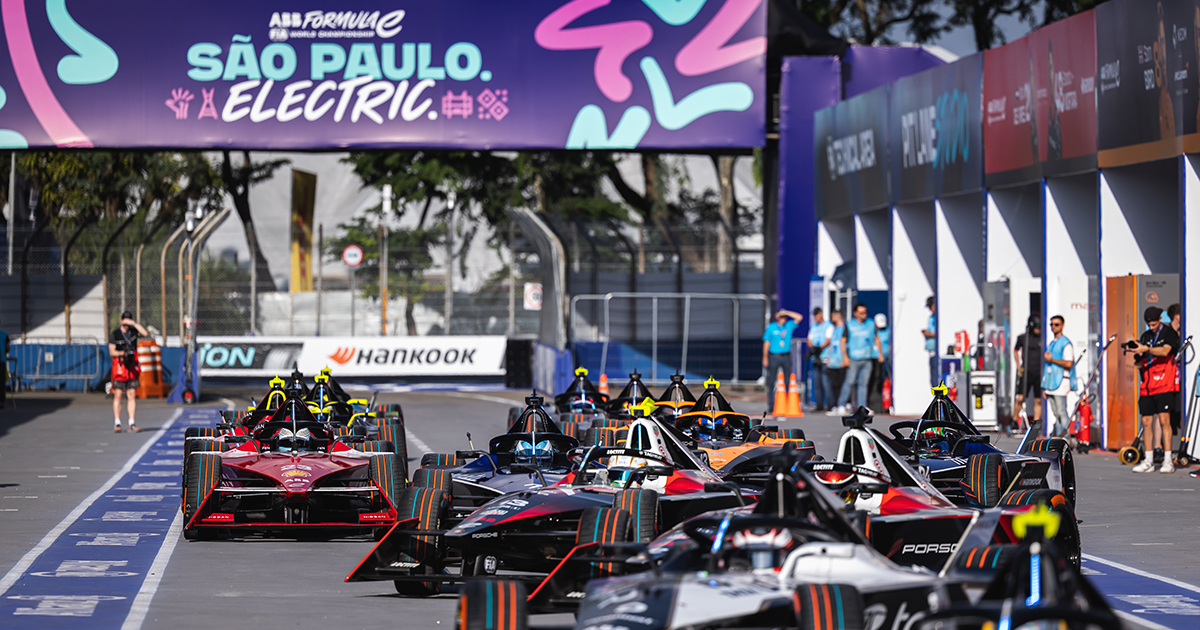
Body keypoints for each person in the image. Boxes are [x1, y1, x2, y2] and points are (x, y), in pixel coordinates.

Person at [1131, 306, 1180, 473]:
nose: (1151, 328)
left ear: (1160, 319)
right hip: (1147, 384)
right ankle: (1149, 460)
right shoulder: (1146, 336)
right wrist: (1138, 355)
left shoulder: (1168, 333)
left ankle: (1168, 460)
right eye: (1148, 325)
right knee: (1146, 422)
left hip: (1165, 382)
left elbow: (1166, 351)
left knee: (1165, 420)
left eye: (1153, 324)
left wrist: (1147, 349)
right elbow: (1141, 358)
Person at [836, 304, 882, 413]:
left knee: (863, 383)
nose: (864, 315)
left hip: (867, 358)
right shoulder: (850, 324)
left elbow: (876, 338)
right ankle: (841, 404)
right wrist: (845, 357)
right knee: (850, 381)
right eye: (861, 312)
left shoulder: (870, 324)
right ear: (855, 313)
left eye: (865, 312)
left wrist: (880, 353)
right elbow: (843, 341)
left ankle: (862, 406)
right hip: (854, 357)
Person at [109, 311, 149, 433]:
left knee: (131, 395)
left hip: (132, 367)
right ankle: (117, 422)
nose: (127, 325)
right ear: (121, 321)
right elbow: (112, 352)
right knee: (118, 395)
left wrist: (134, 324)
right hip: (120, 367)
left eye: (128, 322)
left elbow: (145, 333)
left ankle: (131, 423)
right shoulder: (115, 334)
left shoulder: (133, 332)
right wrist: (122, 353)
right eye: (125, 322)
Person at [1041, 315, 1076, 439]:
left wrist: (1053, 360)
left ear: (1062, 325)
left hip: (1061, 382)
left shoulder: (1066, 344)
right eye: (1051, 324)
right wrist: (1044, 386)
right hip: (1051, 383)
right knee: (1056, 413)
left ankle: (1066, 438)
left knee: (1062, 412)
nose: (1053, 327)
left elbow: (1068, 363)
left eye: (1056, 324)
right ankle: (1059, 437)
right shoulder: (1052, 343)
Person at [762, 309, 803, 413]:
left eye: (784, 317)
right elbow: (766, 343)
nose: (783, 319)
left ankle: (788, 403)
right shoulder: (771, 327)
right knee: (771, 380)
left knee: (788, 380)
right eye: (781, 317)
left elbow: (799, 317)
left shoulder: (788, 325)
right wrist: (765, 357)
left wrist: (787, 312)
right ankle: (771, 404)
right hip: (774, 355)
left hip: (786, 355)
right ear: (777, 317)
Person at [1013, 316, 1043, 435]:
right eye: (1036, 328)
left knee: (1038, 400)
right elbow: (1016, 350)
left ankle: (1035, 426)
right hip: (1026, 372)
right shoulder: (1023, 338)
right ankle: (1014, 420)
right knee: (1020, 398)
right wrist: (1018, 365)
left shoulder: (1042, 338)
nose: (1038, 330)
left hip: (1037, 372)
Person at [807, 308, 831, 411]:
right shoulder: (813, 327)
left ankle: (830, 404)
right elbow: (809, 340)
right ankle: (819, 404)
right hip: (816, 358)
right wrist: (814, 348)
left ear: (821, 314)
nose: (816, 317)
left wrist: (820, 348)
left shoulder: (828, 326)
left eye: (818, 315)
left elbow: (828, 340)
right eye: (815, 315)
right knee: (816, 383)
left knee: (826, 383)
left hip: (825, 357)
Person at [823, 310, 847, 415]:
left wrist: (845, 358)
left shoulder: (844, 328)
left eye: (833, 316)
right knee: (834, 384)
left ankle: (844, 404)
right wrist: (829, 358)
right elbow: (831, 345)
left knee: (843, 383)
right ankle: (836, 405)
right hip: (833, 360)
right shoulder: (834, 329)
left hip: (841, 359)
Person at [870, 313, 890, 409]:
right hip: (873, 358)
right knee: (874, 379)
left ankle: (883, 403)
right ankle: (873, 402)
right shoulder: (872, 332)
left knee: (882, 379)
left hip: (884, 358)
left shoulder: (888, 331)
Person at [923, 296, 938, 387]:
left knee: (935, 376)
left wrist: (929, 334)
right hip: (931, 350)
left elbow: (937, 333)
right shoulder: (931, 317)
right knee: (932, 379)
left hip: (936, 351)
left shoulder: (938, 318)